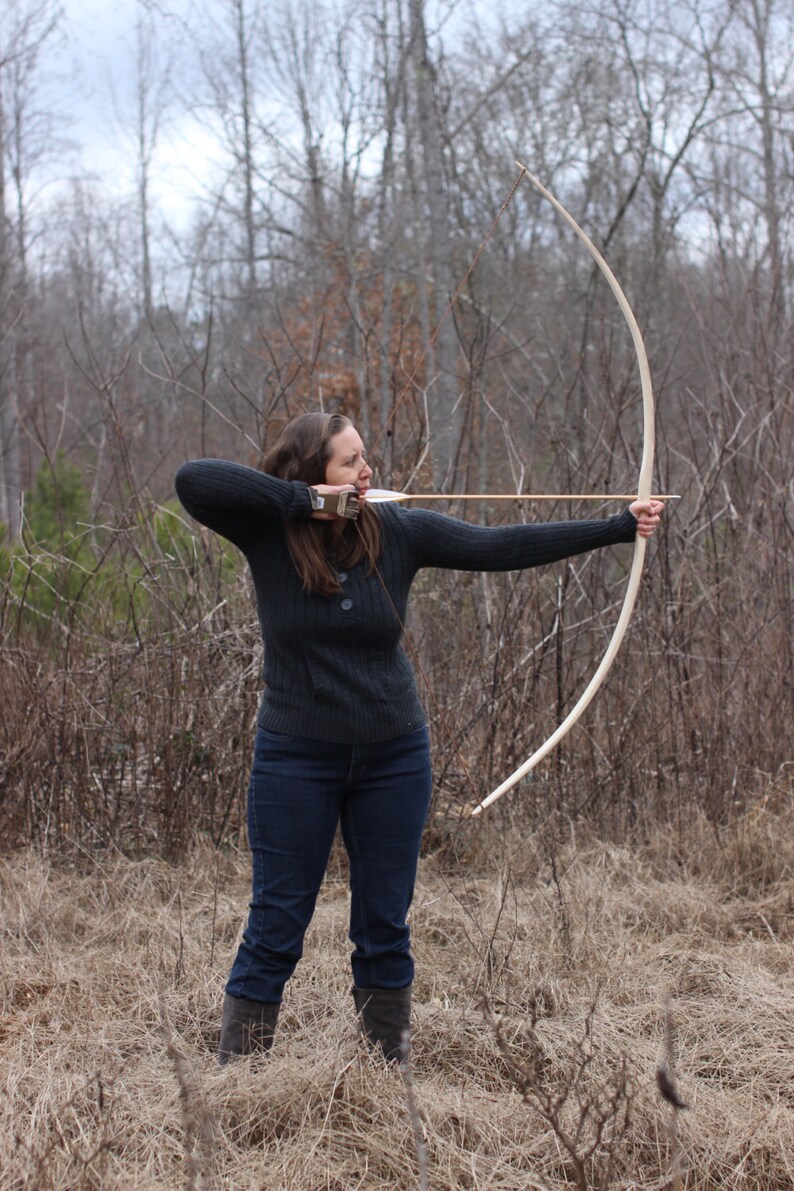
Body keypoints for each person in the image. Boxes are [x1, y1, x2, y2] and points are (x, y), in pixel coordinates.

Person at [175, 412, 663, 1064]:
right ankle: (241, 1077)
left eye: (364, 457)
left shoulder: (395, 530)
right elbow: (195, 480)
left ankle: (386, 1072)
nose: (367, 470)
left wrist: (617, 527)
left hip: (393, 757)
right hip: (296, 757)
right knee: (277, 922)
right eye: (350, 461)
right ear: (315, 473)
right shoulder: (268, 531)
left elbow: (500, 546)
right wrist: (304, 504)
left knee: (385, 922)